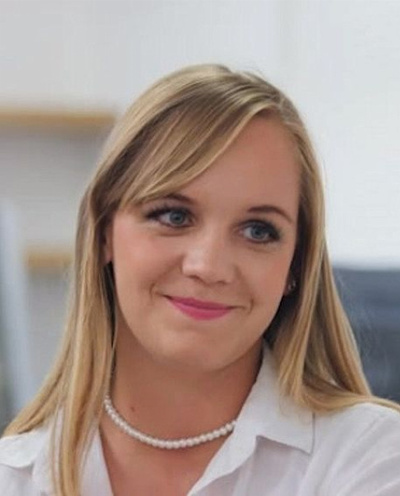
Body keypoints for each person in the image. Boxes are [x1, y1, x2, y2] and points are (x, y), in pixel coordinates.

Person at [1, 64, 400, 496]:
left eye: (258, 231)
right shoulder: (15, 477)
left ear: (295, 266)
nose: (208, 266)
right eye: (174, 216)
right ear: (104, 234)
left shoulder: (371, 459)